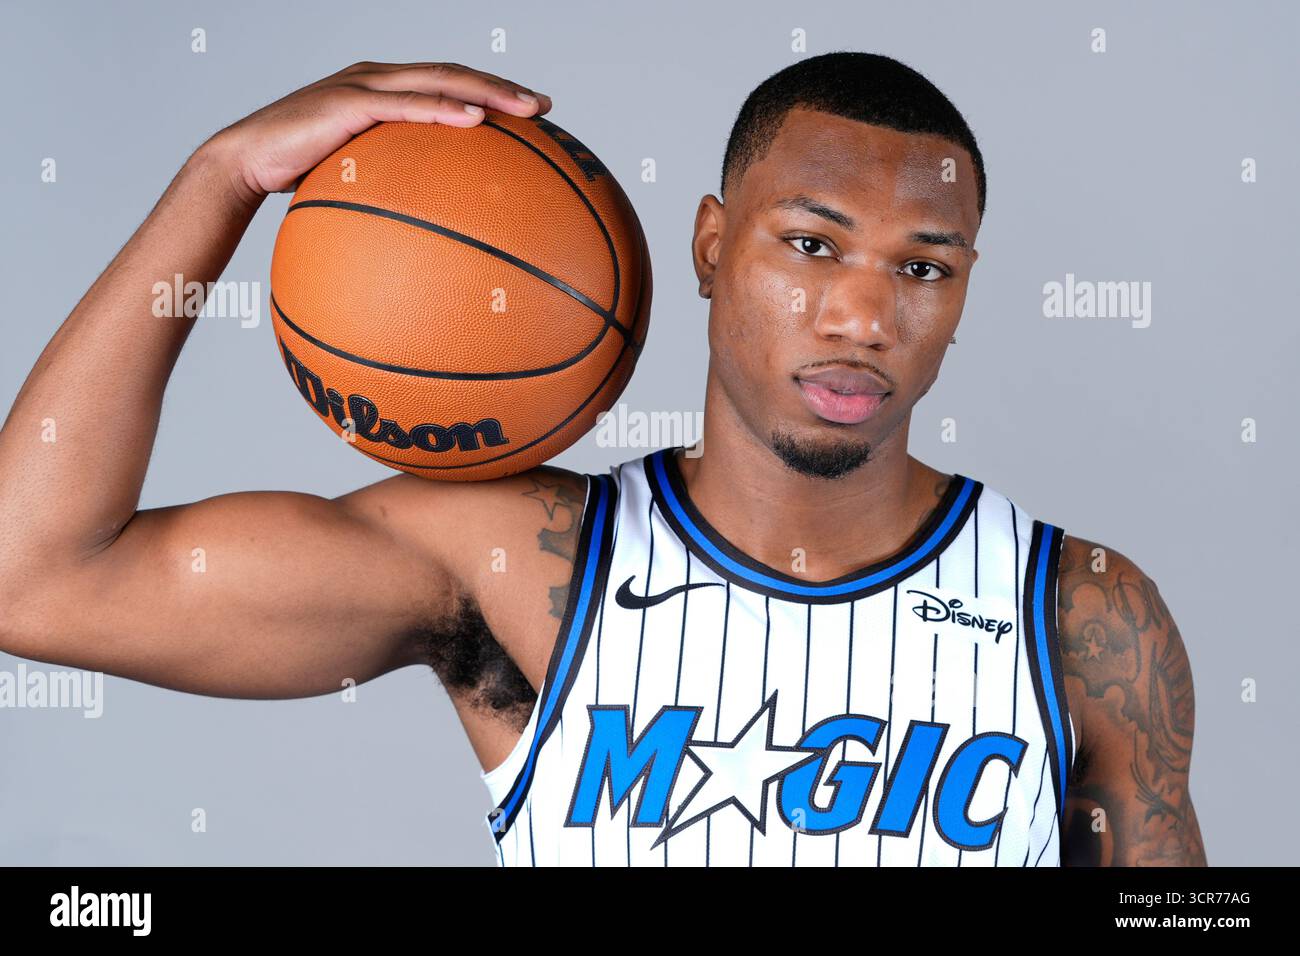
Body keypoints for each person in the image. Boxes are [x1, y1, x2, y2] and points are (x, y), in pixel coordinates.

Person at [0, 52, 1206, 867]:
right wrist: (223, 177)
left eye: (922, 267)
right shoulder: (523, 569)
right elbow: (35, 576)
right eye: (810, 243)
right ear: (710, 244)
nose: (862, 316)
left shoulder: (1082, 617)